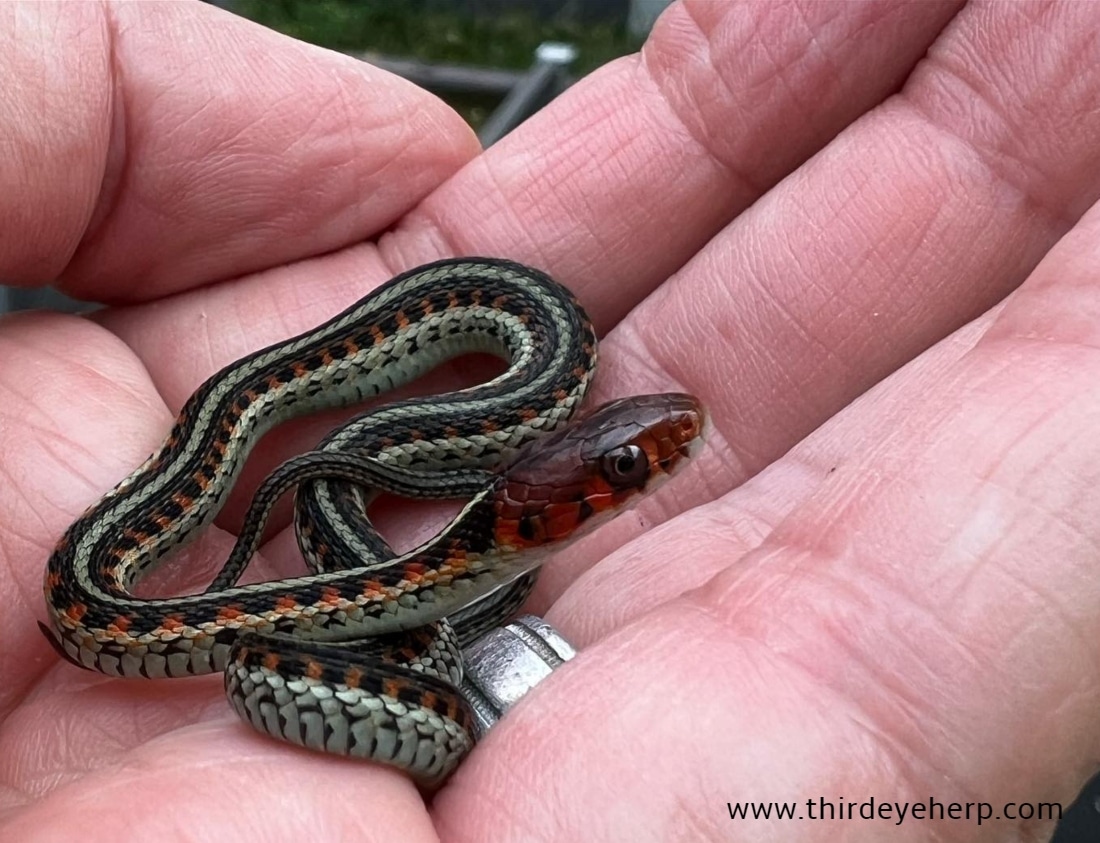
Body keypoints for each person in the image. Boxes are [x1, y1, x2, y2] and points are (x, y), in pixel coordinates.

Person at [2, 1, 1096, 840]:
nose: (654, 462)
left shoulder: (494, 474)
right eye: (622, 467)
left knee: (333, 509)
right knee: (289, 472)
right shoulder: (360, 544)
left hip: (394, 568)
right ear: (543, 507)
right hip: (197, 590)